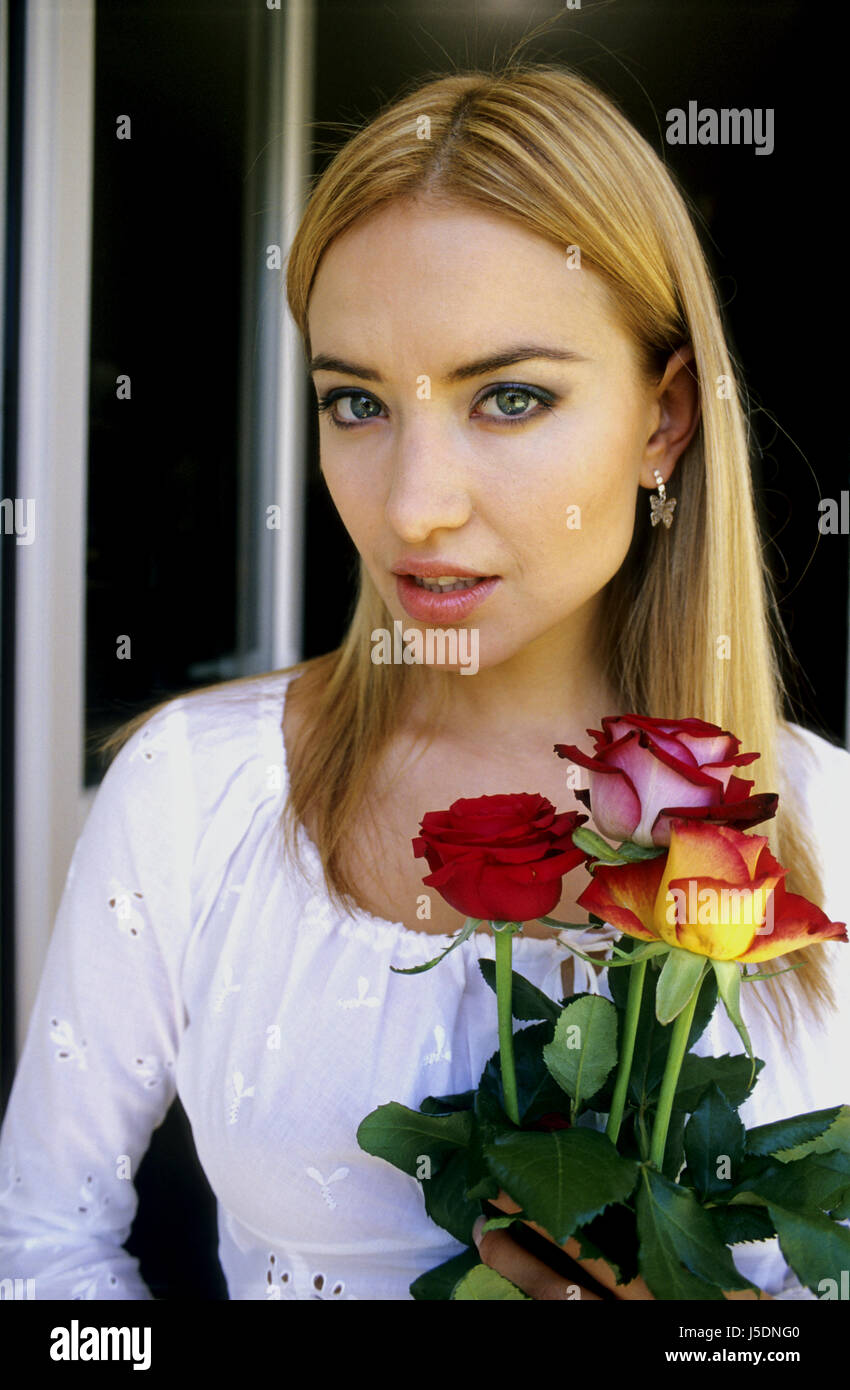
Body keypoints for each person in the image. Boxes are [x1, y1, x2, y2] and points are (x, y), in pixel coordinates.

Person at [1, 62, 848, 1302]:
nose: (412, 506)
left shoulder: (834, 822)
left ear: (664, 420)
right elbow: (39, 1255)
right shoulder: (197, 792)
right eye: (356, 403)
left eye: (508, 397)